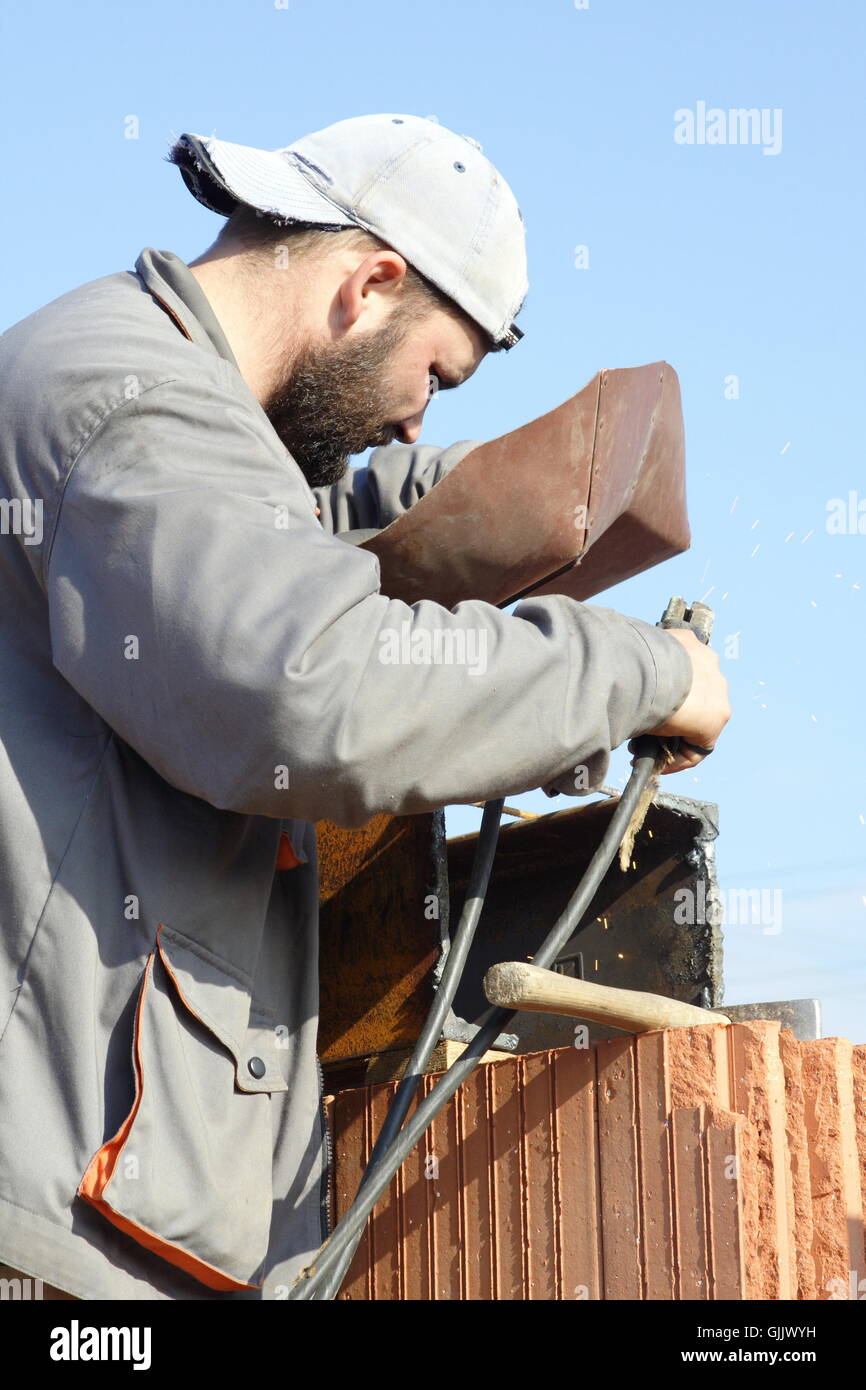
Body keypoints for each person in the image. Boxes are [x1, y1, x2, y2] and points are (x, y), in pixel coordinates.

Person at [0, 114, 729, 1300]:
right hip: (52, 1242)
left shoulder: (170, 408)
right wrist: (636, 673)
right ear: (369, 283)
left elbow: (290, 535)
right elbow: (308, 690)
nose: (413, 419)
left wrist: (501, 518)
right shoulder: (124, 400)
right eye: (432, 375)